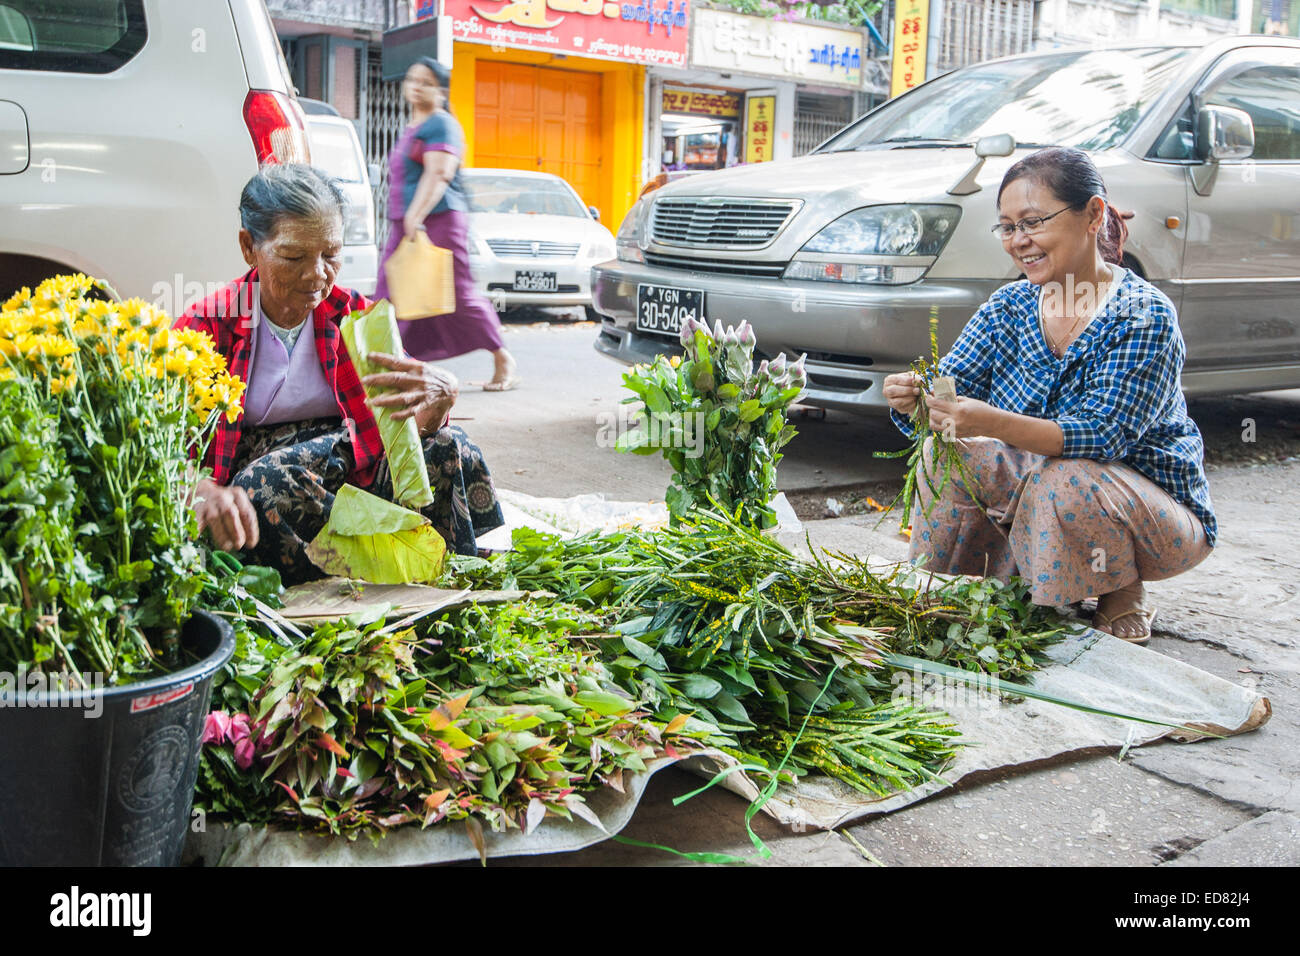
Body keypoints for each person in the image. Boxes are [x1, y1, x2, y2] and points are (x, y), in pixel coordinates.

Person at [882, 146, 1216, 644]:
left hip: (1152, 516)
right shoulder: (1008, 306)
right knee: (946, 451)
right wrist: (917, 403)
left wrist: (989, 421)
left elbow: (1099, 436)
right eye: (1008, 227)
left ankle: (1120, 583)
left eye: (1033, 222)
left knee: (1066, 478)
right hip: (1038, 489)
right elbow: (954, 406)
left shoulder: (1142, 315)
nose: (1020, 241)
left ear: (1093, 214)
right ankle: (958, 584)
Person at [176, 163, 505, 584]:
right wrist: (199, 489)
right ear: (248, 247)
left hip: (347, 459)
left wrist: (438, 405)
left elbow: (404, 433)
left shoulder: (358, 318)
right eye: (294, 256)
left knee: (451, 446)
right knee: (266, 487)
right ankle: (349, 578)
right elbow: (163, 448)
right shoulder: (206, 328)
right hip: (267, 478)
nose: (317, 275)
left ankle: (451, 573)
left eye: (331, 255)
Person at [376, 56, 518, 391]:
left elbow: (440, 172)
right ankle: (397, 368)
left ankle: (502, 356)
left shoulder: (442, 124)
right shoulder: (412, 127)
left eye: (426, 81)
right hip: (405, 223)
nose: (416, 86)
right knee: (392, 295)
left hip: (437, 220)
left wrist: (416, 215)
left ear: (441, 91)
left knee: (456, 294)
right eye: (412, 79)